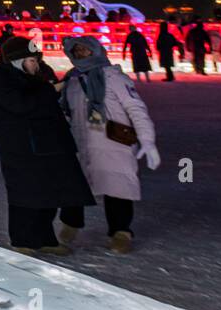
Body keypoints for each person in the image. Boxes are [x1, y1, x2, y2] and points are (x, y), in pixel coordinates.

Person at [0, 36, 94, 255]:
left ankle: (46, 238)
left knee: (48, 194)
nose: (36, 65)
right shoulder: (4, 80)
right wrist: (50, 90)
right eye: (31, 60)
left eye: (36, 60)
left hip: (45, 146)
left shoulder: (32, 78)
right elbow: (21, 105)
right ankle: (23, 240)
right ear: (17, 61)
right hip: (23, 150)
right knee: (25, 197)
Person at [59, 36, 161, 253]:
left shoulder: (113, 77)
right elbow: (66, 111)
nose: (80, 55)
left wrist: (147, 140)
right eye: (76, 52)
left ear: (96, 51)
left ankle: (120, 231)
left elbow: (136, 108)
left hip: (113, 144)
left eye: (85, 51)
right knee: (74, 185)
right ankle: (70, 224)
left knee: (117, 188)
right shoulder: (72, 79)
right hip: (81, 143)